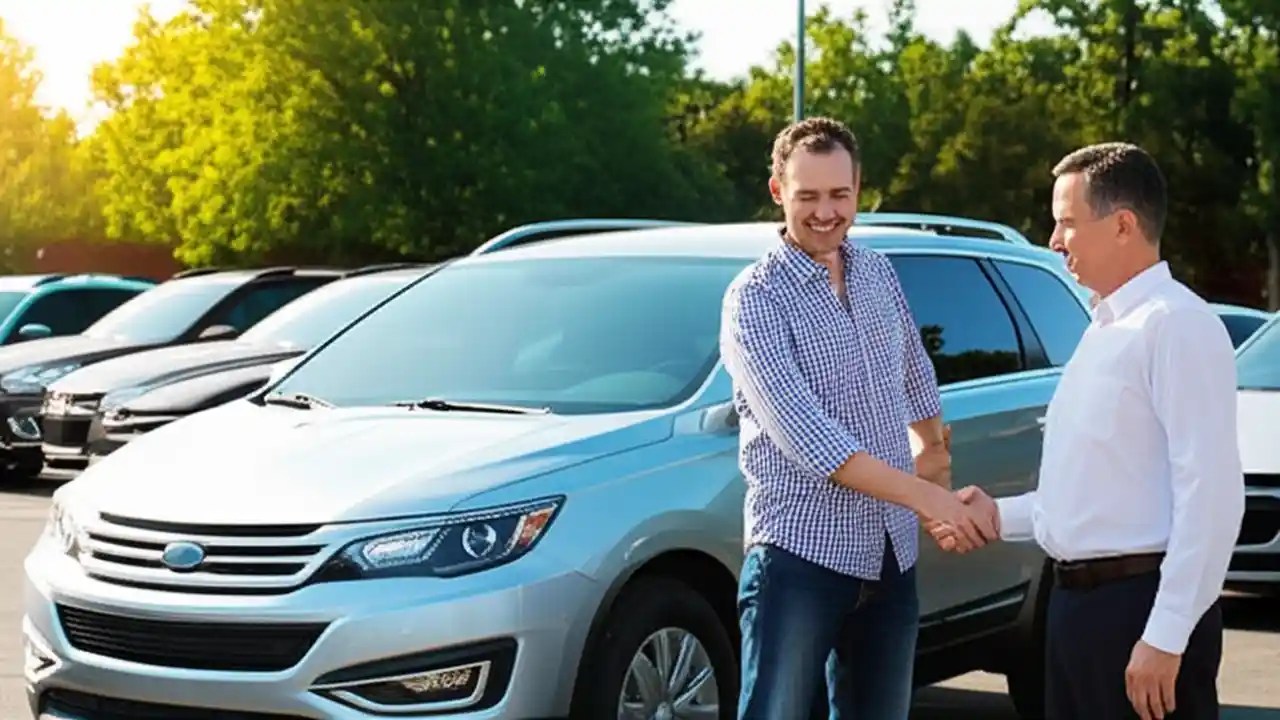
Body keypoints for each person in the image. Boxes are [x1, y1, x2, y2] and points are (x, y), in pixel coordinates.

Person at [720, 115, 999, 720]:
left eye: (839, 195)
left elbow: (915, 374)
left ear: (859, 189)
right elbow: (810, 440)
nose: (826, 212)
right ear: (777, 191)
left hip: (891, 556)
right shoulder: (754, 298)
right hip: (798, 557)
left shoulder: (877, 271)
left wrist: (936, 465)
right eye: (808, 196)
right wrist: (928, 500)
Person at [958, 142, 1245, 720]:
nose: (1054, 240)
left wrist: (1165, 636)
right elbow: (1092, 497)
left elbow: (1211, 498)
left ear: (1122, 225)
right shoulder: (1104, 329)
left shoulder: (1177, 324)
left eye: (1067, 222)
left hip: (1138, 612)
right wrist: (997, 516)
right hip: (1075, 614)